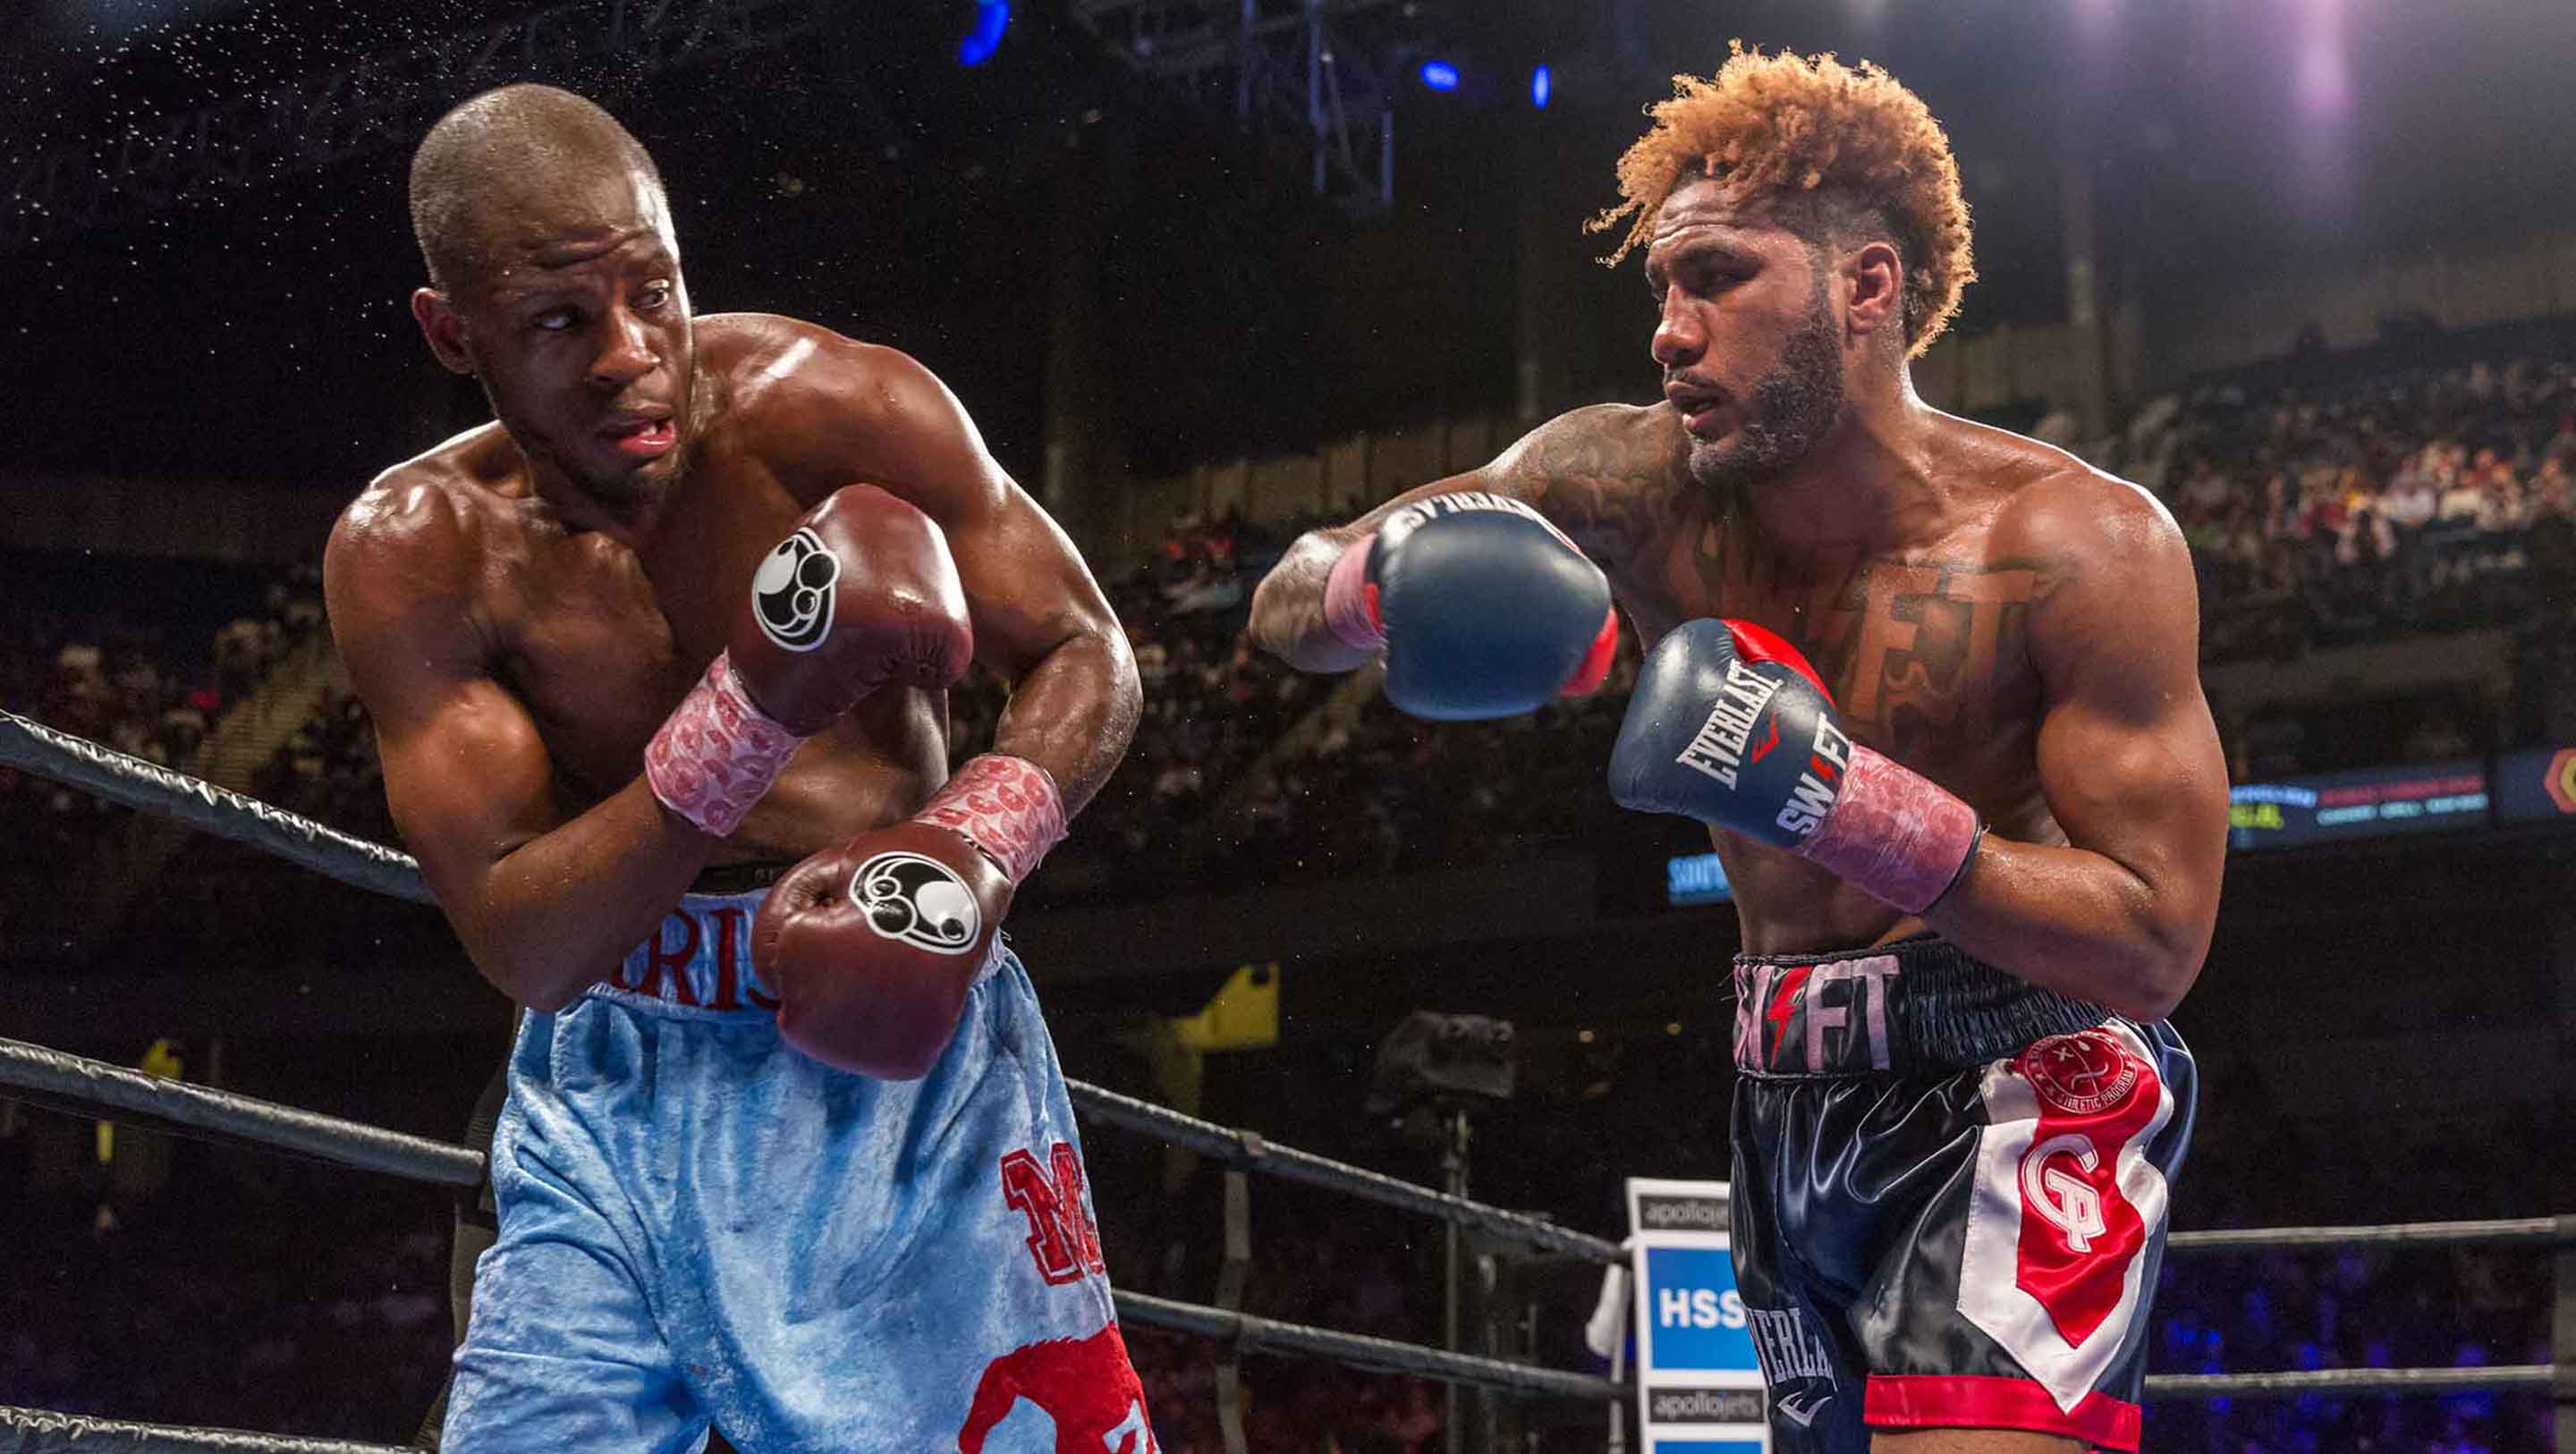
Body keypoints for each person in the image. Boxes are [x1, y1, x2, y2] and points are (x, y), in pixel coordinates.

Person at [1250, 46, 2225, 1454]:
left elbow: (2156, 940)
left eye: (1718, 279)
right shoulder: (1628, 484)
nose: (1668, 330)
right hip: (1780, 1090)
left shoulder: (2080, 545)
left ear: (1867, 290)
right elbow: (1294, 594)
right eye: (1662, 286)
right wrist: (1372, 586)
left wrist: (1838, 798)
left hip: (2021, 1074)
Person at [326, 84, 1151, 1451]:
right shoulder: (417, 550)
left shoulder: (840, 406)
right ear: (450, 333)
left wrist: (972, 848)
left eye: (653, 291)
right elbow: (527, 943)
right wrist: (752, 703)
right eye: (557, 322)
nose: (628, 355)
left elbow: (1086, 647)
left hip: (903, 1060)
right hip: (619, 1083)